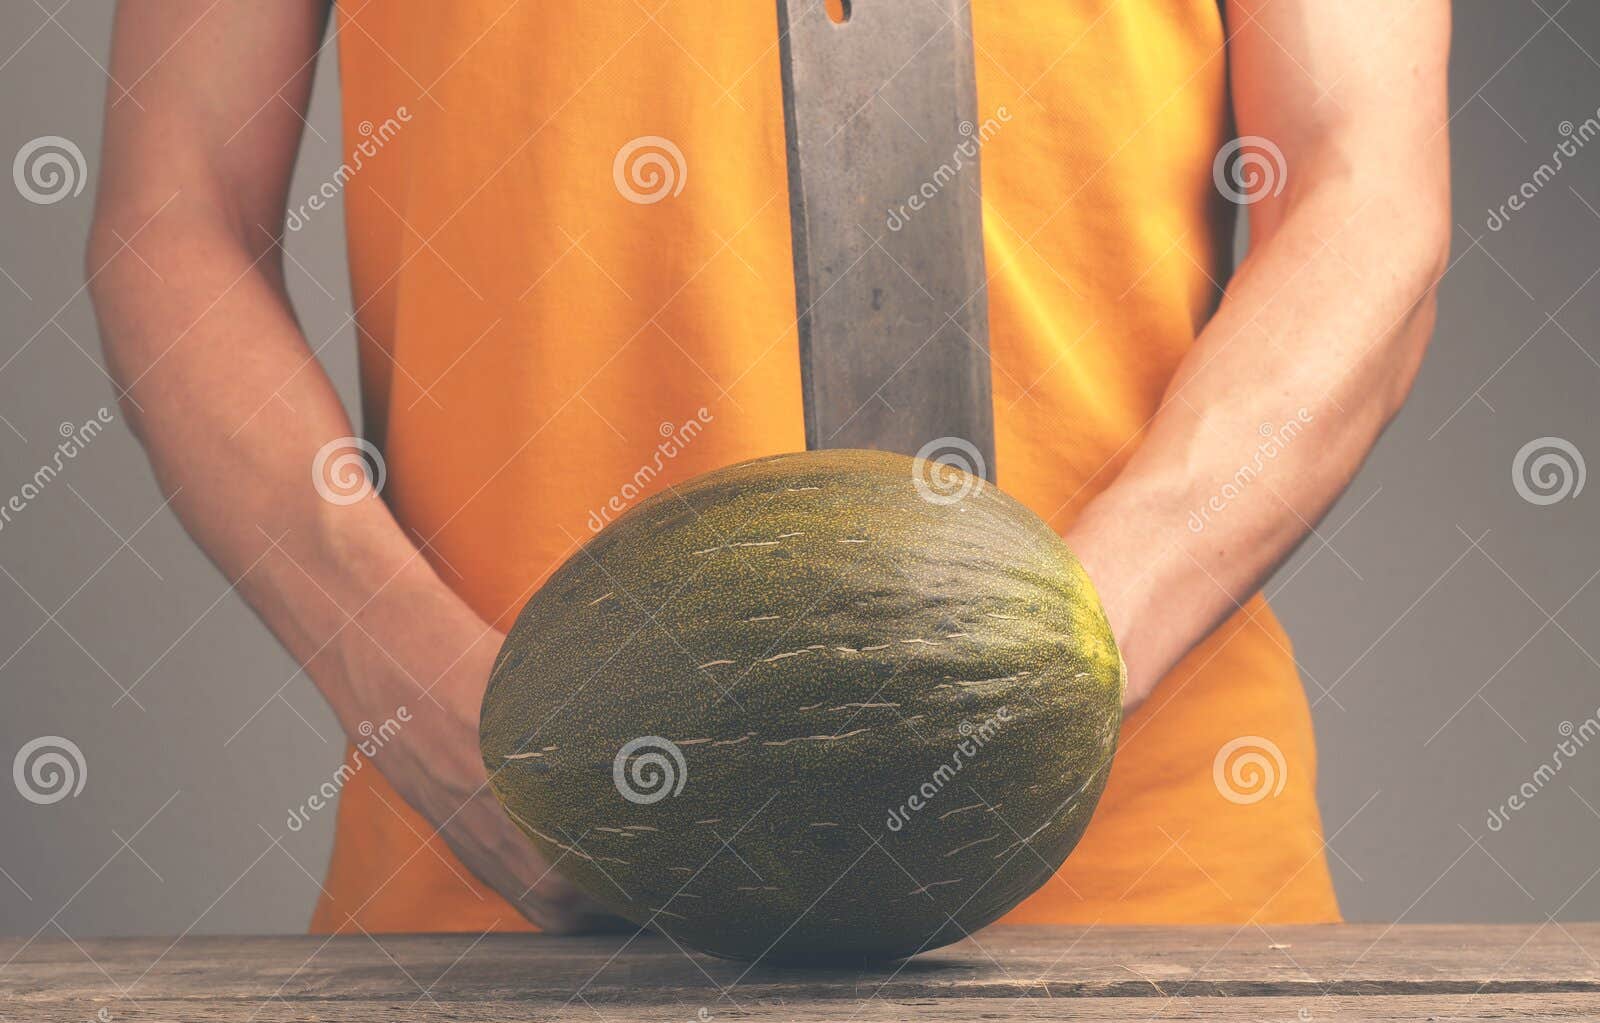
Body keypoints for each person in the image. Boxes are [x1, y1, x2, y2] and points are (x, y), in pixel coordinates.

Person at [88, 1, 1450, 937]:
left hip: (1151, 919)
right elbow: (174, 220)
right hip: (503, 935)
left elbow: (1362, 191)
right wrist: (430, 707)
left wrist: (1040, 669)